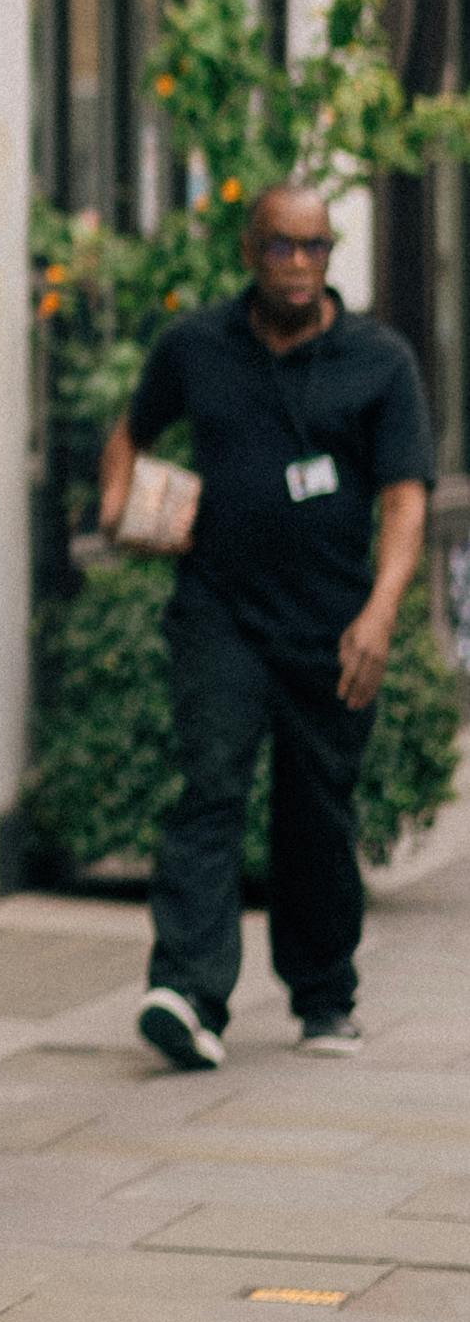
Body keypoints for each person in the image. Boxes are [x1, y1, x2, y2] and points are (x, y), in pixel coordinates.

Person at [103, 179, 431, 1072]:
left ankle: (324, 997)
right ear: (250, 250)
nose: (299, 263)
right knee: (209, 786)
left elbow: (406, 498)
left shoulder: (380, 360)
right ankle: (187, 991)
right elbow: (131, 430)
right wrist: (118, 502)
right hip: (220, 613)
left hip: (333, 626)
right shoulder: (197, 345)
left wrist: (381, 611)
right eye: (282, 246)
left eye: (315, 246)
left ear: (332, 254)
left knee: (316, 813)